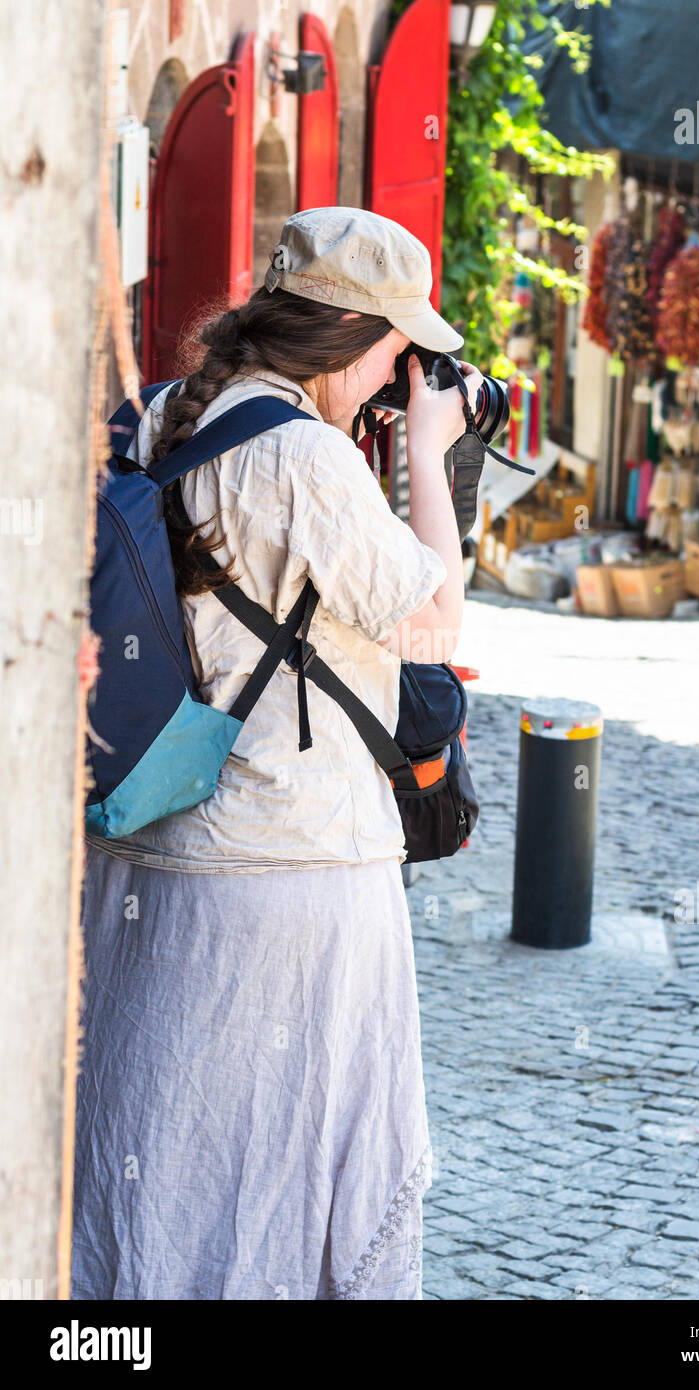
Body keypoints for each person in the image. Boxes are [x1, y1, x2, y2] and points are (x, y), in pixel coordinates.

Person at [71, 206, 482, 1300]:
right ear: (347, 328)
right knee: (281, 1165)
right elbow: (433, 624)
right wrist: (436, 462)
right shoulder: (302, 454)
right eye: (398, 344)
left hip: (141, 845)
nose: (405, 369)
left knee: (153, 1152)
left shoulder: (161, 415)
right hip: (287, 871)